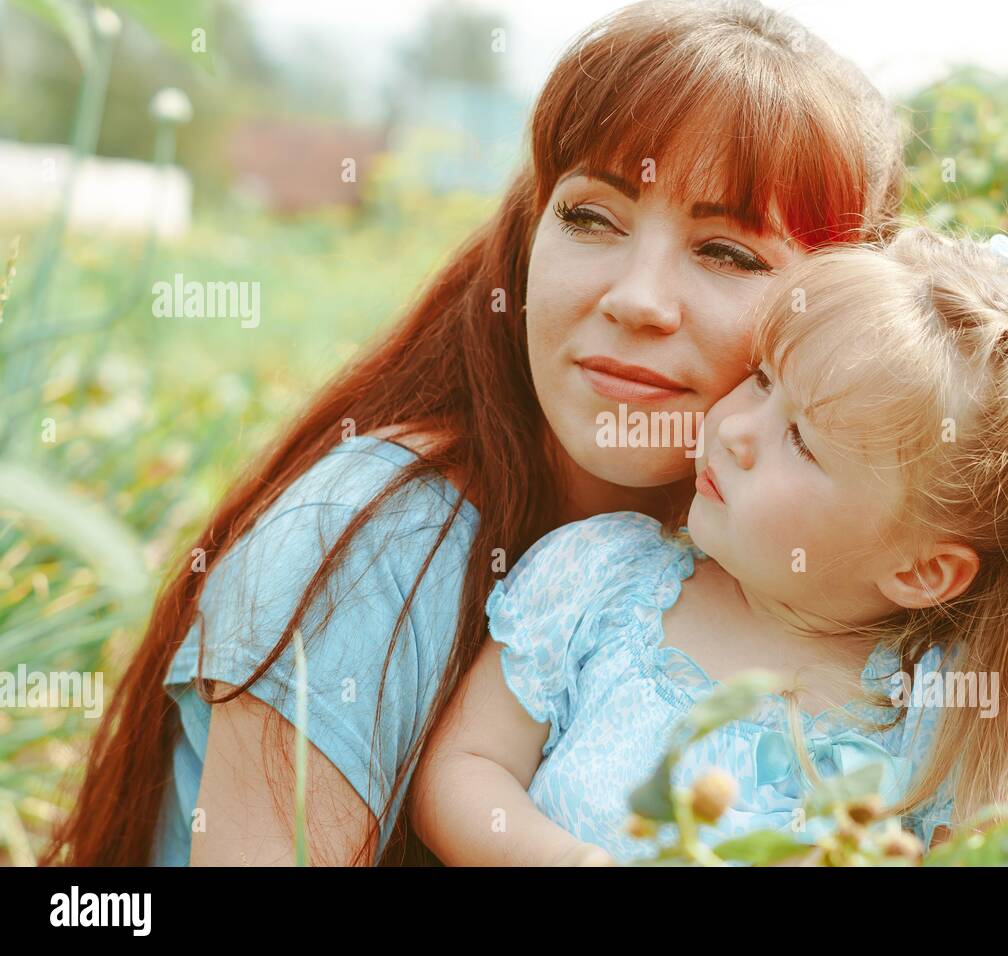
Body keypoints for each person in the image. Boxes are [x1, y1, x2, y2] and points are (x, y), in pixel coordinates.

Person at [42, 0, 907, 866]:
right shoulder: (379, 538)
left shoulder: (798, 585)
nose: (638, 298)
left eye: (726, 253)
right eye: (591, 217)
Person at [414, 228, 1008, 865]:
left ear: (922, 570)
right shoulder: (600, 580)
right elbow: (465, 769)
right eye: (763, 378)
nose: (735, 429)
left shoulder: (942, 722)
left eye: (800, 439)